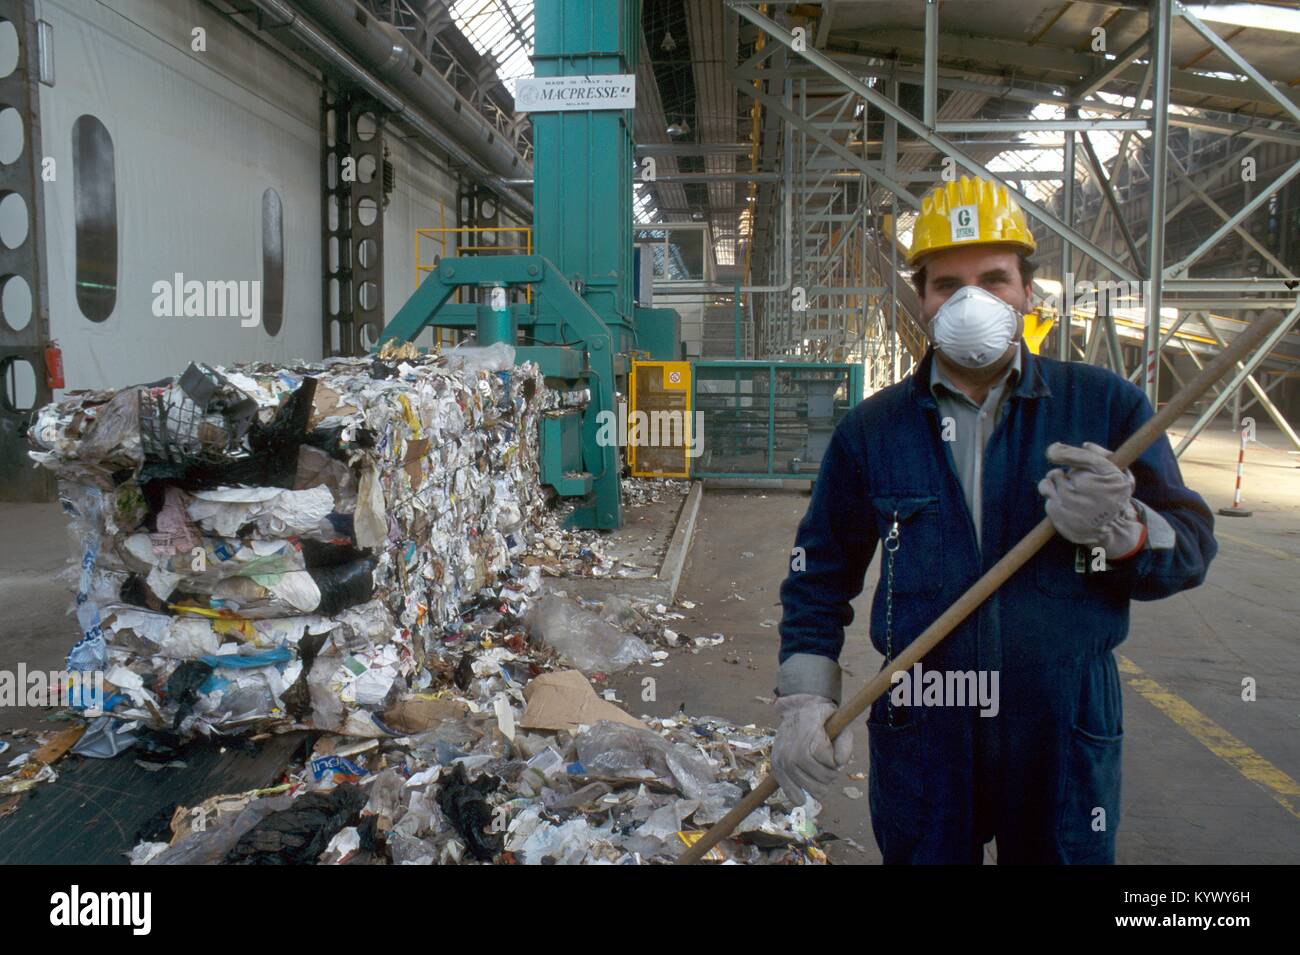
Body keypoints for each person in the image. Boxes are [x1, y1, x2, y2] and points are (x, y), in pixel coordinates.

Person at [773, 174, 1217, 864]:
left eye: (995, 278)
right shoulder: (873, 431)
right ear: (920, 299)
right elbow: (819, 573)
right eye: (948, 283)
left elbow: (1189, 549)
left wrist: (1126, 531)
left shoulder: (1106, 408)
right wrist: (804, 698)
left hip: (1063, 718)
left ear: (1028, 293)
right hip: (926, 714)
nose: (972, 300)